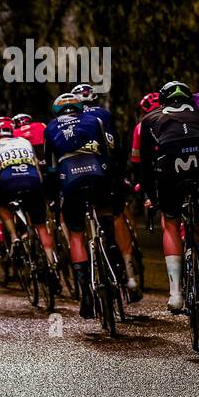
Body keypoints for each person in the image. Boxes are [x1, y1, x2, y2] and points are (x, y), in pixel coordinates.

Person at [45, 92, 128, 318]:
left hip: (69, 180)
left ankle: (86, 294)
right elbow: (109, 154)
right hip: (97, 174)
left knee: (76, 234)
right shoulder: (96, 120)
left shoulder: (50, 128)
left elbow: (51, 169)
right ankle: (114, 263)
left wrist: (53, 200)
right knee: (105, 214)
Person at [138, 81, 199, 312]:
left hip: (169, 172)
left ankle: (175, 294)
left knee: (170, 222)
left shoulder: (150, 119)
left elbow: (146, 165)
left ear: (163, 102)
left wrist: (152, 197)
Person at [70, 83, 141, 301]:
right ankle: (130, 276)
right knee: (117, 213)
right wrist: (122, 177)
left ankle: (85, 281)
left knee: (75, 223)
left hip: (77, 175)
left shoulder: (69, 122)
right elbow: (116, 148)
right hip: (106, 172)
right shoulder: (104, 115)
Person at [0, 116, 58, 290]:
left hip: (8, 184)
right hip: (33, 183)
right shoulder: (24, 142)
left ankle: (15, 237)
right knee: (40, 226)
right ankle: (52, 266)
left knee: (2, 205)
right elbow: (38, 171)